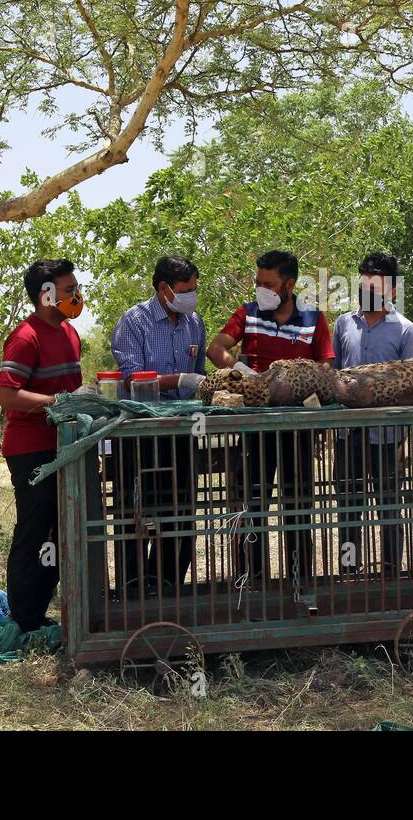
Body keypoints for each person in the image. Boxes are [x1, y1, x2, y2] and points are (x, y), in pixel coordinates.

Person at [208, 250, 336, 591]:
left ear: (290, 284)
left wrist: (297, 384)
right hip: (254, 429)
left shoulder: (313, 318)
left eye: (269, 284)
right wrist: (245, 374)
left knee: (298, 506)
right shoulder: (247, 314)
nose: (261, 289)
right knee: (250, 505)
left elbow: (326, 366)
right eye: (258, 283)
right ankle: (253, 583)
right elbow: (216, 348)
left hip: (296, 430)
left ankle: (300, 582)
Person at [110, 255, 209, 593]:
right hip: (139, 434)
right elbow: (131, 379)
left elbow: (200, 375)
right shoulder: (134, 322)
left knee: (180, 513)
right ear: (163, 289)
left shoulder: (194, 322)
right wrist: (178, 378)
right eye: (185, 290)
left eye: (194, 289)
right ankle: (133, 588)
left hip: (181, 433)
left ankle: (167, 587)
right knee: (135, 513)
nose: (191, 296)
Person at [0, 259, 84, 633]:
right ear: (45, 294)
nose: (76, 295)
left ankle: (40, 611)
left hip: (66, 445)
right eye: (69, 289)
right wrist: (60, 401)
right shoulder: (25, 337)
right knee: (34, 530)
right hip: (31, 449)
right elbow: (8, 395)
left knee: (59, 529)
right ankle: (22, 617)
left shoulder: (70, 333)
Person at [332, 253, 413, 575]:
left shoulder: (405, 330)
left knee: (389, 508)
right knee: (347, 510)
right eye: (363, 283)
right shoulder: (343, 323)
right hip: (348, 435)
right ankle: (348, 571)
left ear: (392, 290)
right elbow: (334, 375)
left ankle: (391, 574)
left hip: (387, 437)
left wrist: (404, 438)